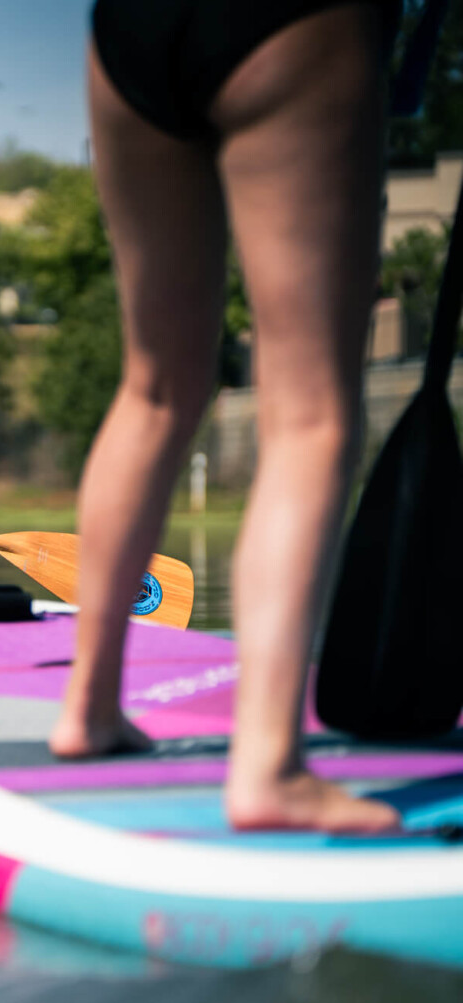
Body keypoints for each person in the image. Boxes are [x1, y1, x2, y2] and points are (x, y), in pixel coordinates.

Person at [49, 0, 404, 832]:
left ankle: (89, 709)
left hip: (131, 32)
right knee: (310, 412)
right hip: (286, 21)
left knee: (155, 387)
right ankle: (271, 768)